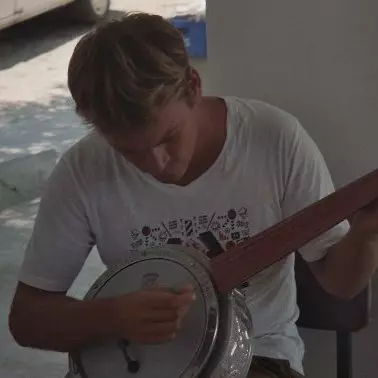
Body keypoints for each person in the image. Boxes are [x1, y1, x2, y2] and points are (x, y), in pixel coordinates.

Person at [8, 12, 378, 378]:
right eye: (130, 152)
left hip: (257, 354)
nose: (158, 165)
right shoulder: (83, 168)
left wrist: (364, 235)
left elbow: (340, 284)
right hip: (136, 360)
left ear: (194, 86)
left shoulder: (275, 140)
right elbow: (26, 319)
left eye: (168, 137)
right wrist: (111, 316)